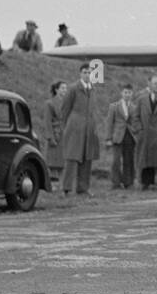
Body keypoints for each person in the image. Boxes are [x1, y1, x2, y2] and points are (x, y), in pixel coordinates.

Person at [59, 63, 100, 196]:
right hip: (75, 128)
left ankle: (83, 188)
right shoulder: (73, 88)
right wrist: (66, 127)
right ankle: (66, 188)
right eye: (85, 72)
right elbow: (65, 109)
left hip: (88, 128)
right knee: (71, 158)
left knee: (87, 158)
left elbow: (93, 109)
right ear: (80, 74)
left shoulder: (92, 89)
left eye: (89, 73)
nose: (87, 75)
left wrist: (93, 126)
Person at [106, 84, 136, 189]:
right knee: (116, 161)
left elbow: (135, 122)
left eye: (129, 93)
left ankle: (128, 182)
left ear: (132, 94)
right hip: (117, 136)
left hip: (130, 136)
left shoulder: (134, 107)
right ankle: (116, 182)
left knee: (129, 160)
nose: (127, 95)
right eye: (125, 92)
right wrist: (108, 138)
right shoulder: (114, 106)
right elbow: (109, 123)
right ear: (122, 93)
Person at [44, 82, 67, 191]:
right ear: (56, 90)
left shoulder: (67, 103)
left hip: (65, 134)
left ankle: (62, 184)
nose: (64, 90)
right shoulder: (50, 103)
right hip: (55, 133)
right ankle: (53, 184)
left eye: (65, 88)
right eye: (62, 88)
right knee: (53, 160)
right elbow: (47, 121)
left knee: (63, 160)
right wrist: (50, 137)